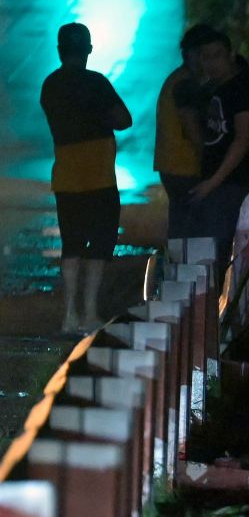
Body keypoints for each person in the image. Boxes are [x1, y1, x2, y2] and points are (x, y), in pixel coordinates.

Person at [40, 22, 132, 332]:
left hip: (66, 176)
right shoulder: (97, 83)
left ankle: (69, 315)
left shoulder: (50, 85)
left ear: (59, 50)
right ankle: (90, 312)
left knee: (72, 245)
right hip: (99, 176)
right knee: (101, 243)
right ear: (89, 49)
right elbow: (124, 119)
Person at [177, 25, 249, 269]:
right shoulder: (217, 88)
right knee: (204, 251)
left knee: (216, 252)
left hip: (233, 183)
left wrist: (213, 182)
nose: (211, 63)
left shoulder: (242, 89)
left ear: (230, 55)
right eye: (206, 57)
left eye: (217, 56)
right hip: (216, 182)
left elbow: (242, 140)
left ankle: (216, 292)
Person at [154, 31, 202, 241]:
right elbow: (191, 127)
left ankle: (177, 259)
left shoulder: (176, 79)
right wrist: (207, 157)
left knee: (181, 221)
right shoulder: (185, 83)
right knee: (189, 226)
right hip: (184, 164)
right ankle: (183, 261)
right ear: (190, 54)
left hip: (172, 163)